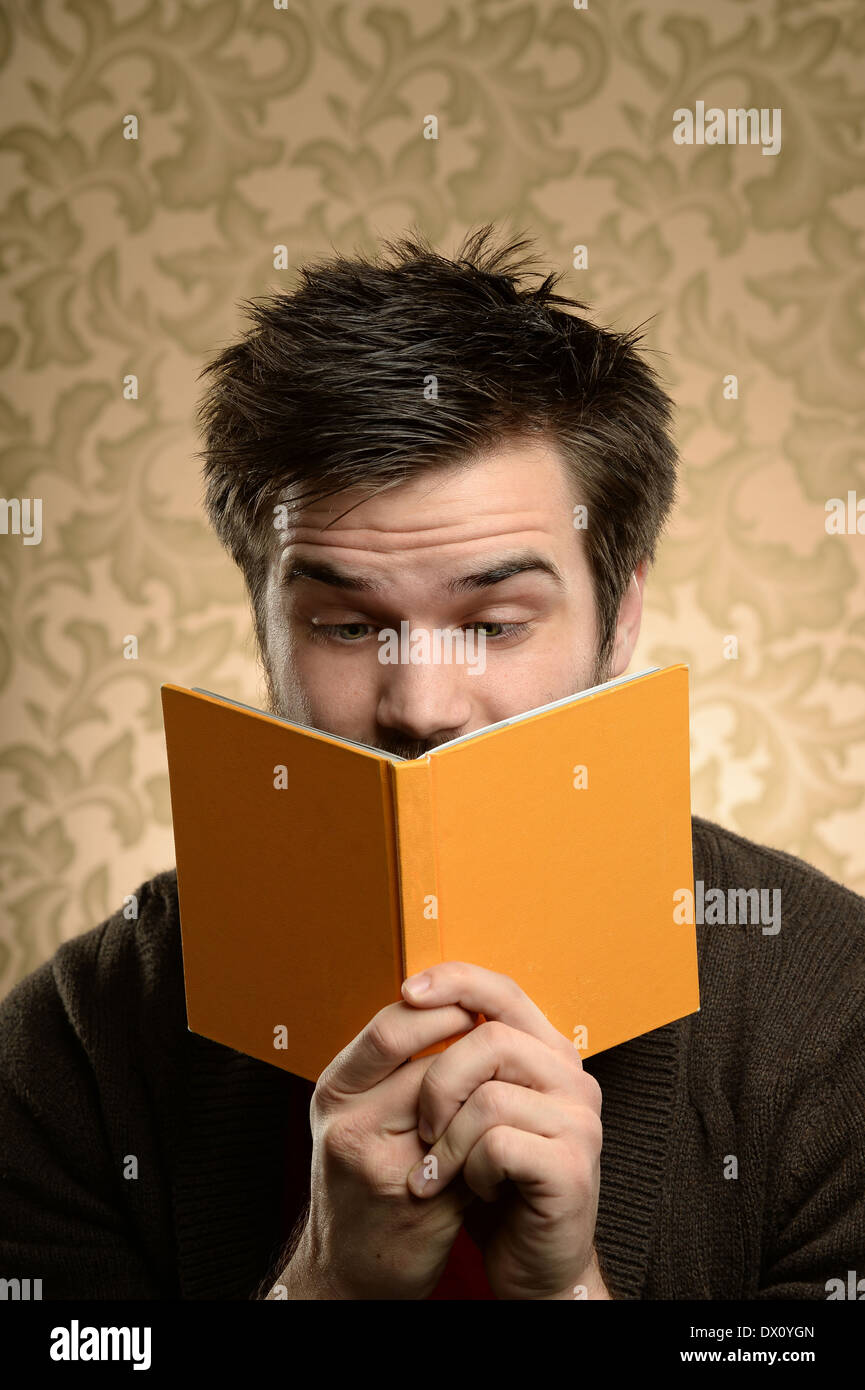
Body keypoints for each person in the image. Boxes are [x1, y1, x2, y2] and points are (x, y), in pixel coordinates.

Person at [1, 227, 863, 1301]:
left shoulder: (835, 1015)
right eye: (348, 625)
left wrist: (563, 1296)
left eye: (496, 621)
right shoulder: (79, 1039)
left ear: (621, 612)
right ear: (262, 619)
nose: (421, 705)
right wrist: (327, 1286)